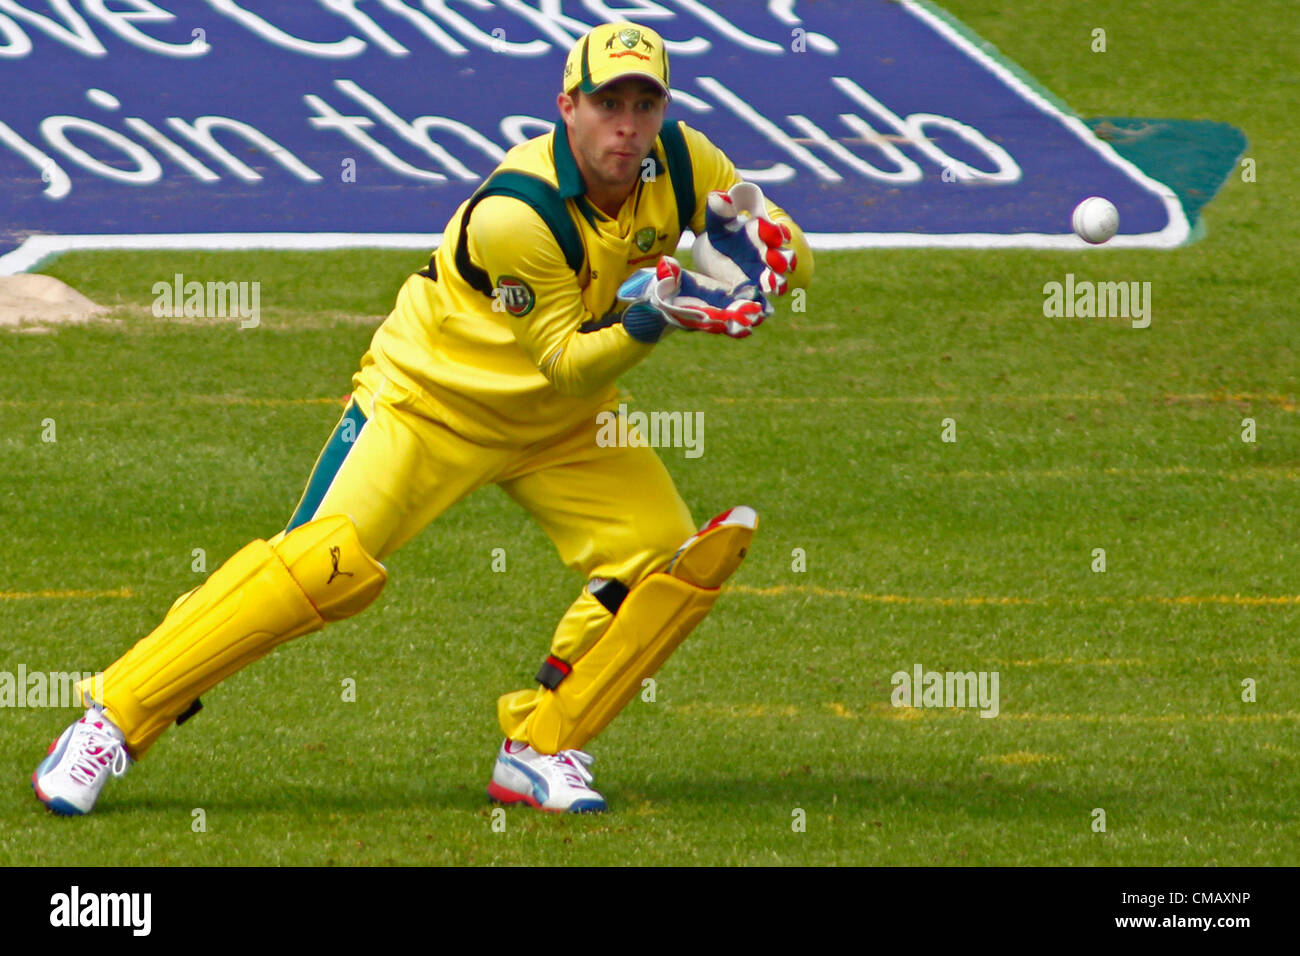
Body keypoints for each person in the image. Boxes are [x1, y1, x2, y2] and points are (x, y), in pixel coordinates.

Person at [32, 20, 813, 816]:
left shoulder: (683, 161)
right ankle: (111, 719)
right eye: (607, 101)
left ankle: (541, 747)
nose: (627, 124)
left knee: (665, 561)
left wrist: (764, 251)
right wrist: (660, 314)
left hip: (564, 424)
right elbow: (567, 358)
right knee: (320, 566)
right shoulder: (517, 211)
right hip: (429, 402)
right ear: (567, 106)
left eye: (644, 103)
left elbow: (789, 255)